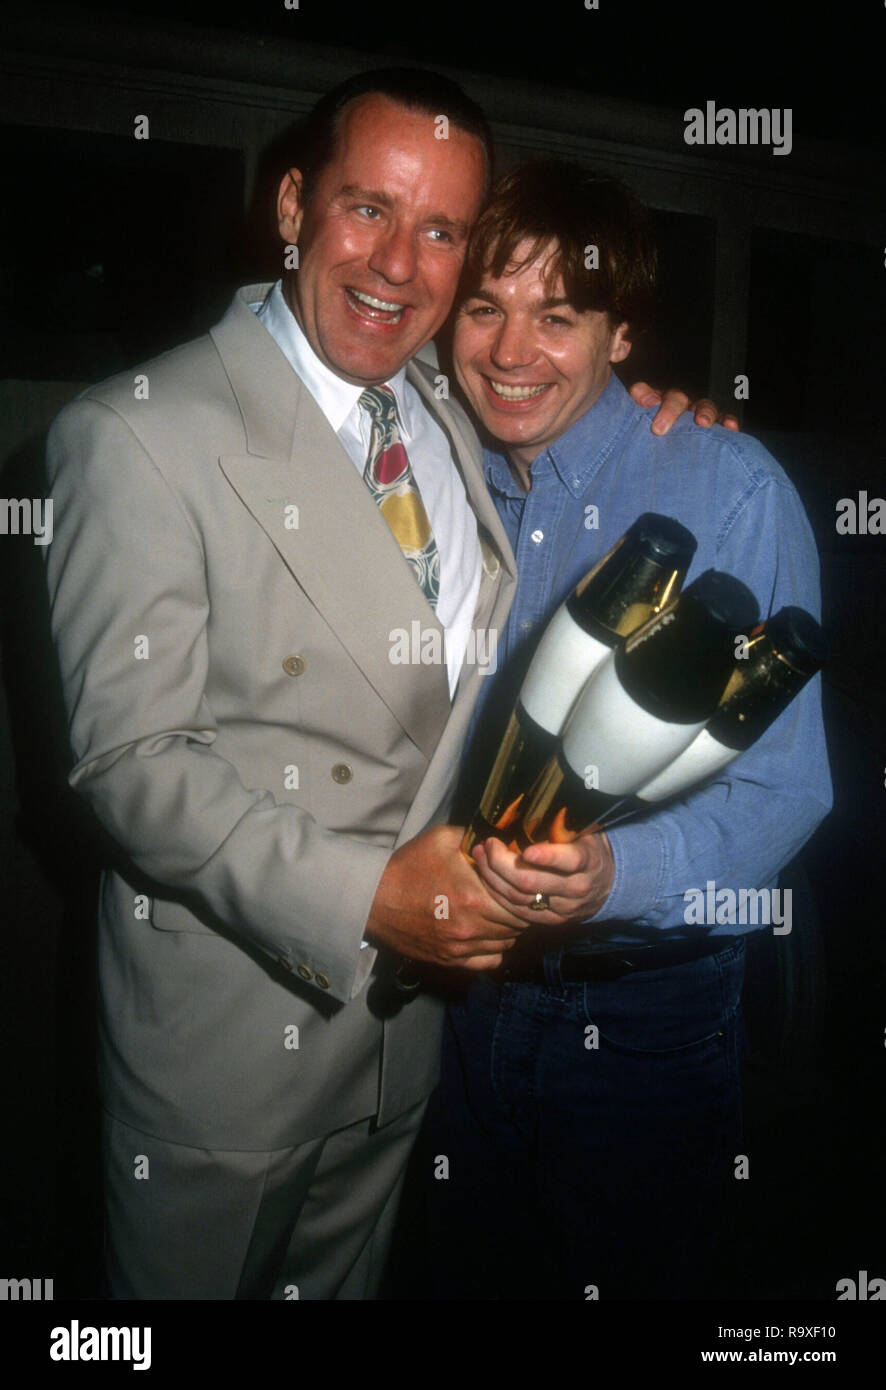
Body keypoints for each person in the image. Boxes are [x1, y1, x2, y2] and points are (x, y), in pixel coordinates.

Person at [43, 71, 720, 1301]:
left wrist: (669, 419)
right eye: (368, 209)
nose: (401, 266)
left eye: (443, 231)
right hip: (233, 1045)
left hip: (405, 1042)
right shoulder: (134, 431)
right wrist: (370, 899)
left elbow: (567, 421)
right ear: (292, 204)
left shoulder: (445, 405)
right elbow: (130, 763)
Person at [420, 159, 832, 1301]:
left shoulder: (726, 484)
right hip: (454, 985)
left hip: (641, 1014)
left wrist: (615, 874)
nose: (510, 352)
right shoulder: (435, 467)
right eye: (486, 306)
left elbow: (787, 791)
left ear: (620, 334)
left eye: (559, 317)